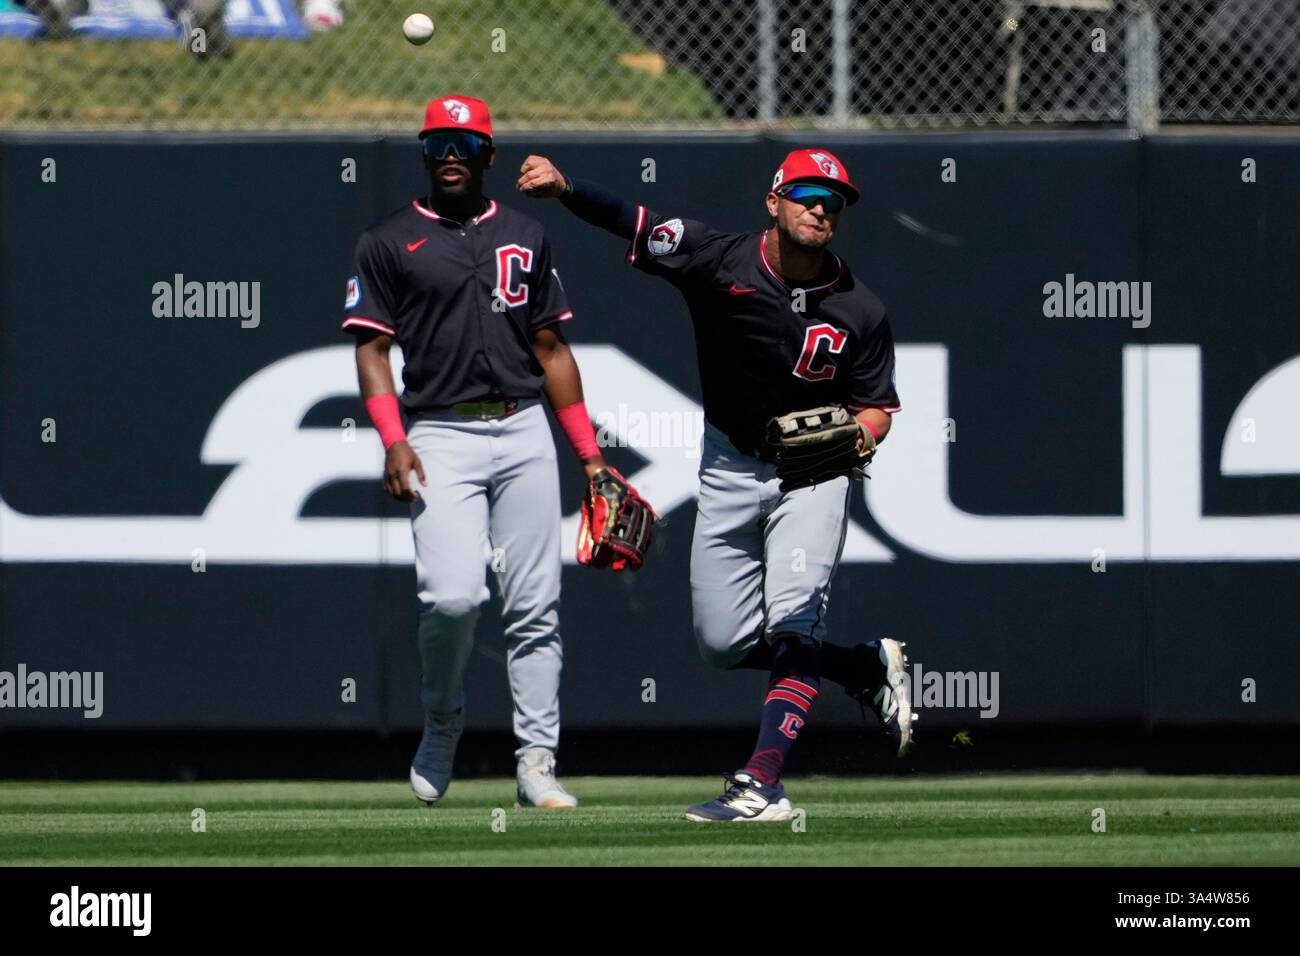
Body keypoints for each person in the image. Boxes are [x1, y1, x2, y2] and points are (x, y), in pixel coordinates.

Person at [518, 147, 914, 821]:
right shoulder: (717, 258)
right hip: (729, 461)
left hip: (811, 474)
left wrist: (857, 440)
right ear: (774, 201)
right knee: (721, 642)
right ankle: (861, 668)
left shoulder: (860, 309)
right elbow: (632, 221)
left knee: (794, 618)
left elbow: (879, 406)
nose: (820, 206)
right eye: (807, 193)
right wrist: (565, 189)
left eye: (833, 199)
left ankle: (762, 783)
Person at [343, 95, 612, 809]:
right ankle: (442, 719)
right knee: (454, 596)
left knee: (535, 606)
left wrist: (589, 457)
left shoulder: (526, 232)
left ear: (490, 154)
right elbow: (372, 350)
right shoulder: (390, 238)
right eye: (438, 143)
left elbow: (552, 349)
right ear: (424, 153)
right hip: (439, 432)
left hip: (523, 426)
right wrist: (392, 437)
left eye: (465, 142)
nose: (452, 154)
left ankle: (537, 760)